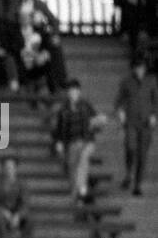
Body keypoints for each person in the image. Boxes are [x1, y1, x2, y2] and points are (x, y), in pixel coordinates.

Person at [51, 79, 108, 204]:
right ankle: (76, 196)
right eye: (70, 91)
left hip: (87, 141)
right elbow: (60, 129)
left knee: (83, 160)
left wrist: (100, 121)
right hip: (71, 143)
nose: (72, 93)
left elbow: (96, 120)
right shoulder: (63, 110)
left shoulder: (86, 106)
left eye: (74, 91)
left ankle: (82, 189)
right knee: (72, 170)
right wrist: (59, 142)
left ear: (78, 92)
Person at [115, 55, 158, 196]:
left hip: (146, 123)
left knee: (142, 155)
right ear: (133, 68)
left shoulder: (151, 81)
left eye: (142, 68)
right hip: (131, 121)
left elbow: (155, 100)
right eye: (137, 68)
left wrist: (154, 115)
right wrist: (120, 111)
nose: (140, 70)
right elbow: (119, 100)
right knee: (130, 147)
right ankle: (128, 173)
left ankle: (138, 184)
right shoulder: (126, 82)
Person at [0, 156, 31, 238]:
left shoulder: (22, 184)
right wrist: (4, 212)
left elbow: (25, 203)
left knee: (28, 219)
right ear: (2, 169)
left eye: (11, 167)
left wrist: (18, 215)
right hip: (1, 212)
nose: (9, 170)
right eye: (6, 167)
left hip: (16, 211)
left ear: (15, 169)